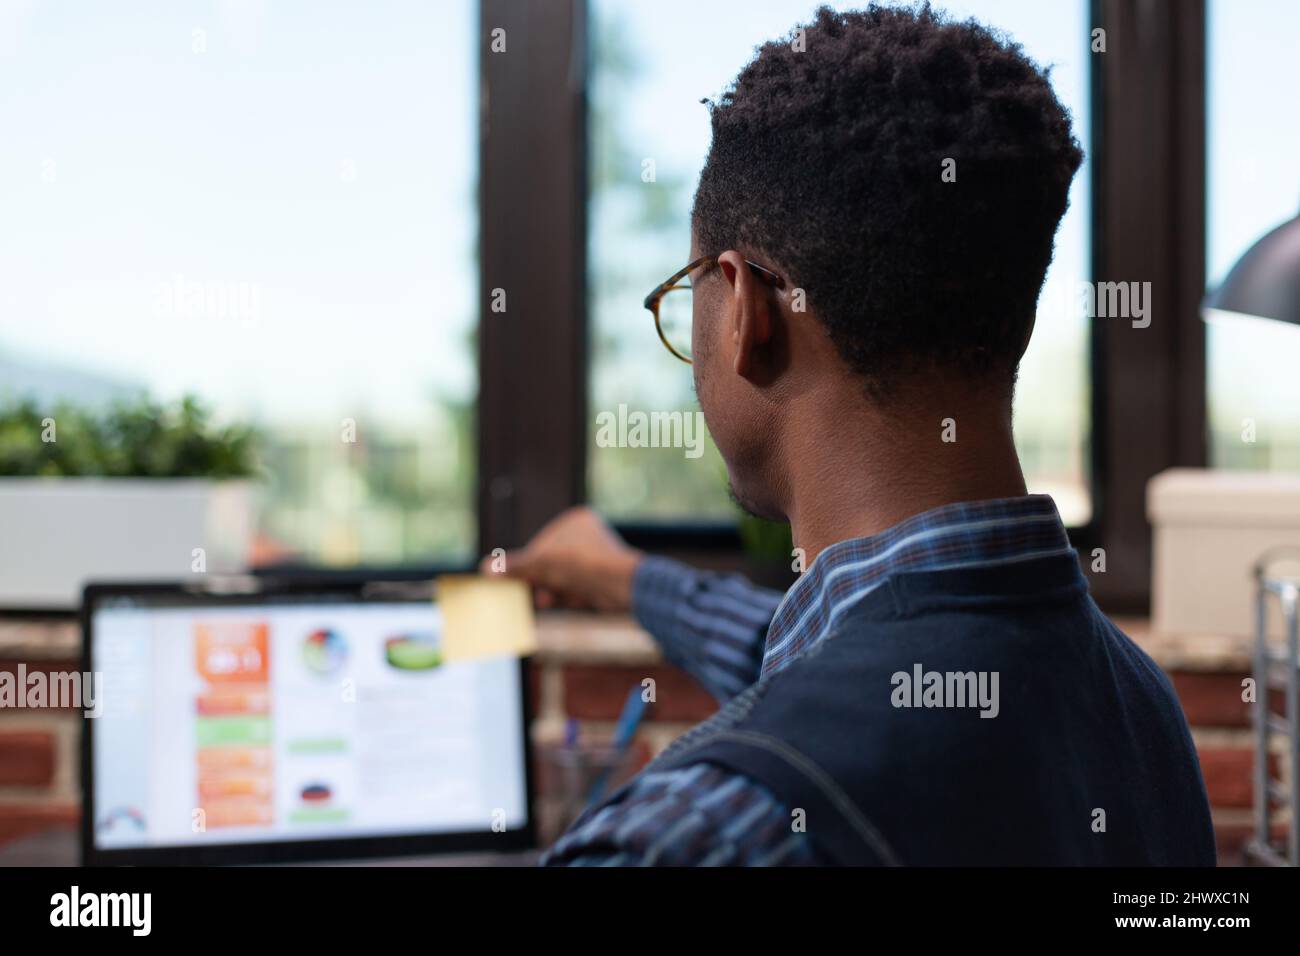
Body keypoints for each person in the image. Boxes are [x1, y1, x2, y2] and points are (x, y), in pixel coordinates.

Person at [487, 4, 1215, 866]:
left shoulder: (693, 834)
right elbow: (857, 656)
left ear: (746, 312)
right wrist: (628, 579)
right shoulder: (1139, 707)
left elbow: (851, 683)